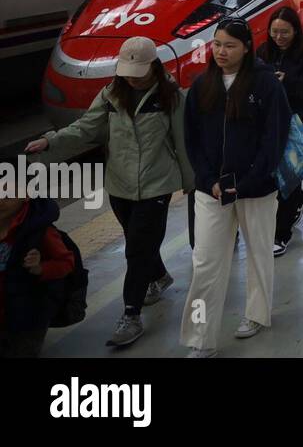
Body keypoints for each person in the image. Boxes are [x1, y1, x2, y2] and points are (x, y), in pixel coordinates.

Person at [25, 37, 191, 349]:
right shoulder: (112, 94)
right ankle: (159, 276)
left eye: (138, 71)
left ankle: (131, 313)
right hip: (119, 185)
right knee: (137, 240)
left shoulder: (170, 97)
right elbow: (85, 129)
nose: (131, 77)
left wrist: (192, 183)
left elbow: (182, 141)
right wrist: (51, 143)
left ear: (153, 65)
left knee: (137, 249)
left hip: (157, 185)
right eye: (127, 70)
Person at [181, 17, 292, 357]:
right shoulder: (202, 86)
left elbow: (273, 139)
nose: (221, 51)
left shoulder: (266, 86)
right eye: (216, 44)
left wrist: (247, 182)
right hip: (211, 190)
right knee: (205, 264)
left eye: (229, 45)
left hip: (255, 188)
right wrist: (207, 179)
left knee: (259, 252)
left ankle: (257, 314)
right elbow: (192, 140)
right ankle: (200, 338)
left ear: (246, 47)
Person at [257, 6, 303, 257]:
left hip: (296, 124)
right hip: (267, 124)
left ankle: (281, 233)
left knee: (290, 174)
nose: (279, 37)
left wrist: (289, 82)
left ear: (296, 30)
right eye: (274, 31)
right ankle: (294, 203)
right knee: (271, 176)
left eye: (284, 32)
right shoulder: (263, 52)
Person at [0, 178, 76, 358]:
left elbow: (66, 263)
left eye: (8, 194)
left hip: (28, 319)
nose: (1, 200)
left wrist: (41, 268)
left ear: (26, 195)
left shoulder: (39, 231)